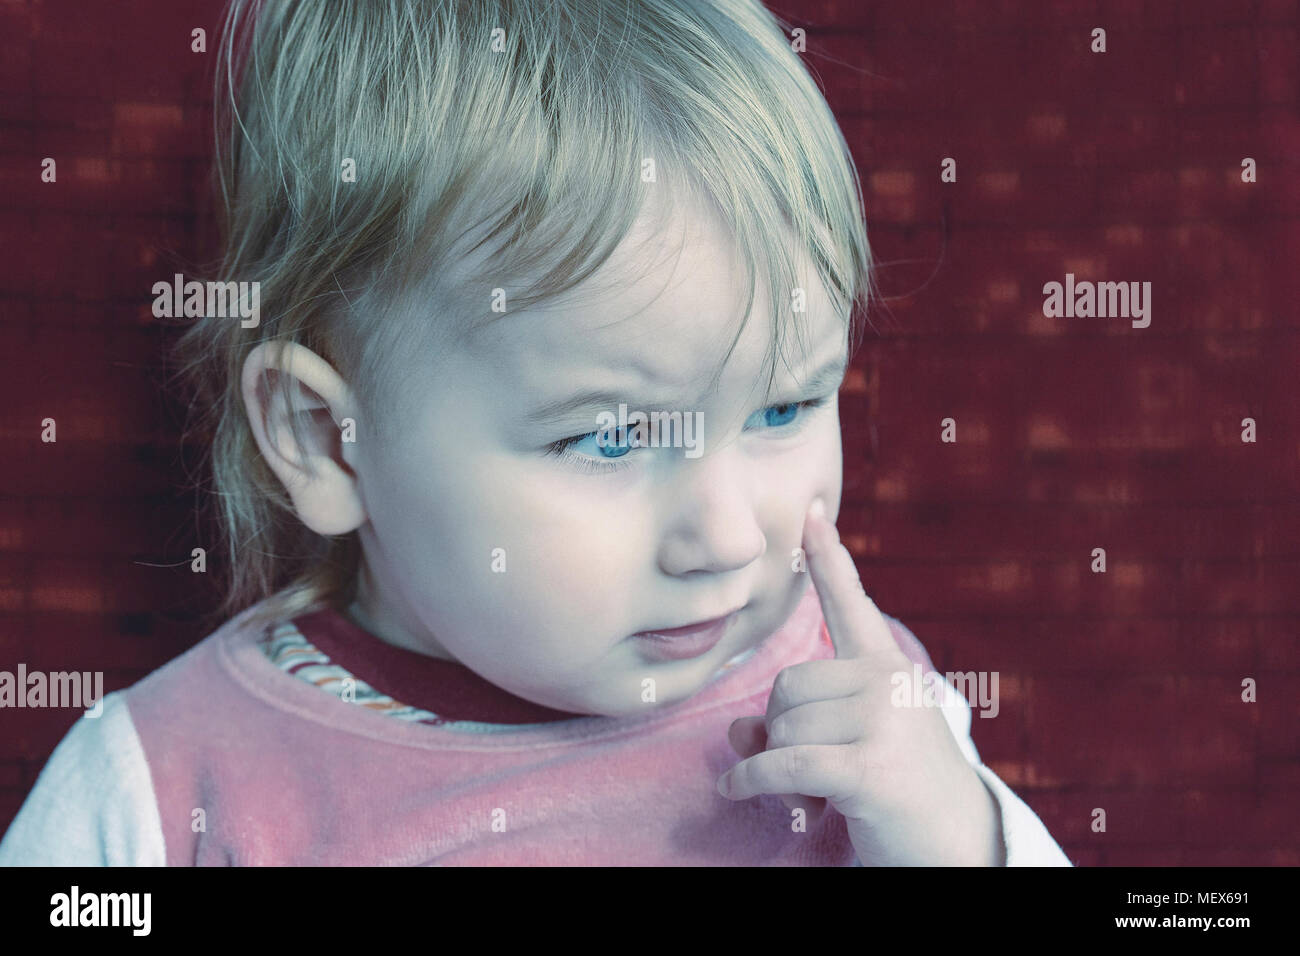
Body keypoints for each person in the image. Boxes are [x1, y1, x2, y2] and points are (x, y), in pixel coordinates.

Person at [0, 0, 1071, 866]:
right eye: (609, 440)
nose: (729, 539)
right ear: (329, 439)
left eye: (782, 409)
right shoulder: (162, 788)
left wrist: (950, 838)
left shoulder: (862, 715)